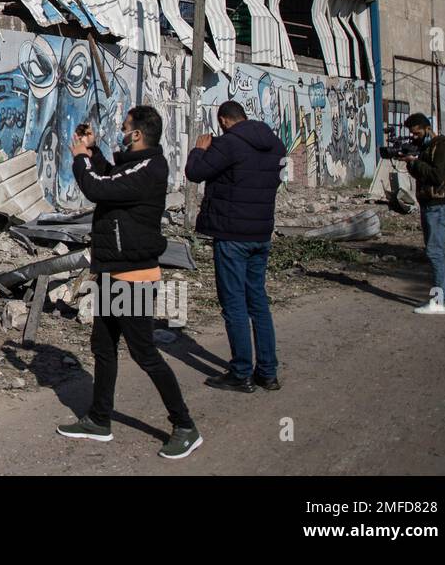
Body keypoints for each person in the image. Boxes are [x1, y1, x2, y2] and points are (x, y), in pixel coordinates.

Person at [57, 106, 202, 460]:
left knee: (144, 352)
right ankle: (98, 419)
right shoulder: (136, 165)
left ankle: (184, 425)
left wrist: (80, 159)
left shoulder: (150, 167)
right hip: (113, 271)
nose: (120, 133)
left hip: (133, 277)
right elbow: (112, 179)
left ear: (137, 134)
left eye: (124, 128)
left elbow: (97, 187)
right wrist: (93, 152)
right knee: (103, 346)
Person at [185, 101, 286, 393]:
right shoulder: (275, 144)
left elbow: (195, 172)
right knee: (258, 301)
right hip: (261, 233)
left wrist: (199, 149)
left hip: (232, 236)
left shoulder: (229, 144)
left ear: (224, 120)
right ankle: (267, 372)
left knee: (234, 304)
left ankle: (241, 371)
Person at [401, 113, 445, 314]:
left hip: (438, 206)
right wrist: (410, 162)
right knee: (436, 251)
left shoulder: (442, 145)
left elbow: (437, 176)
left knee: (435, 252)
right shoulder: (427, 147)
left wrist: (416, 162)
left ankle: (439, 301)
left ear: (426, 128)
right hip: (430, 205)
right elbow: (421, 174)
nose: (414, 137)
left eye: (416, 133)